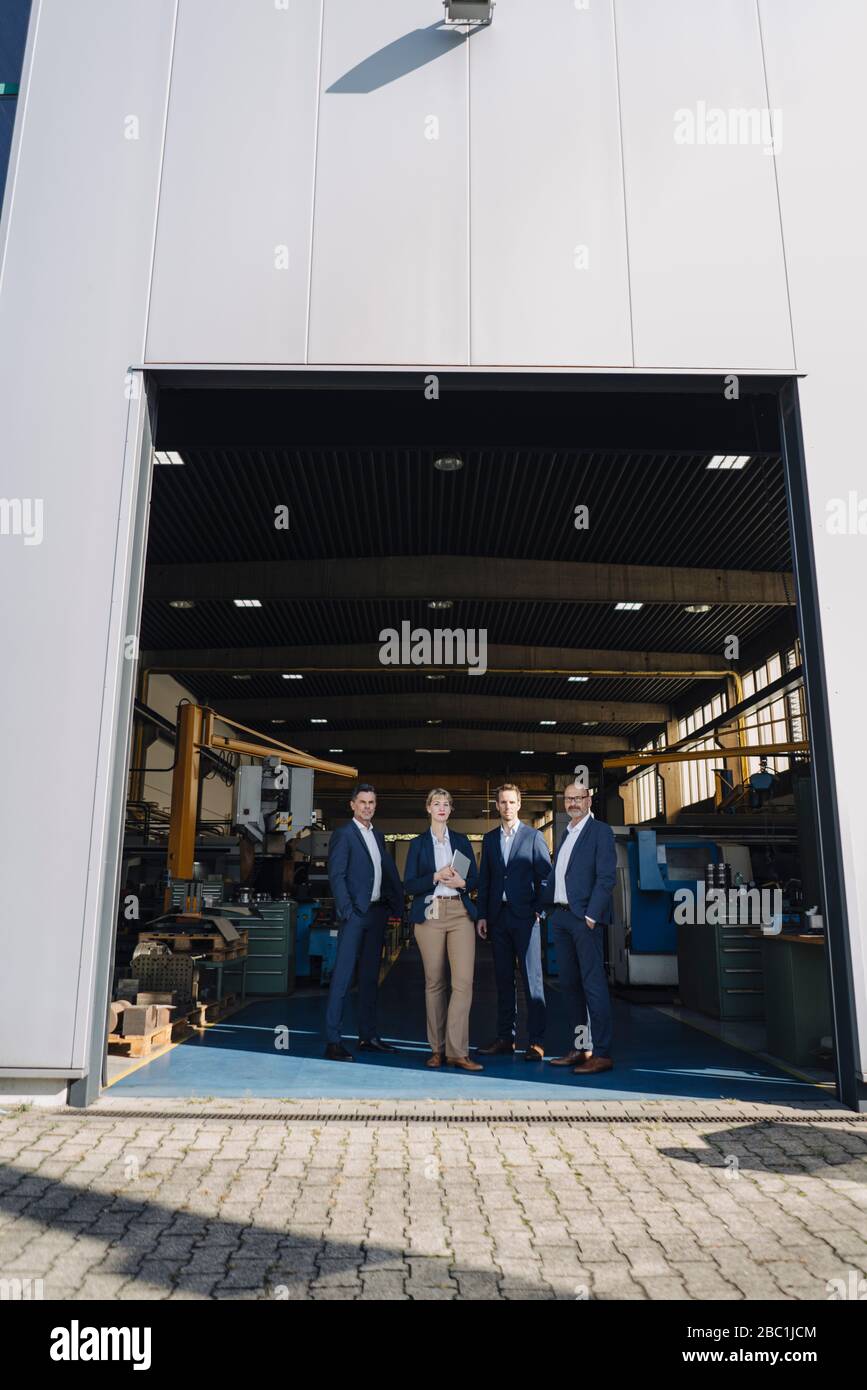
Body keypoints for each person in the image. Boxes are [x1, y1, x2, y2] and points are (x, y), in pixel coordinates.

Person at [324, 782, 404, 1061]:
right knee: (343, 978)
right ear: (352, 805)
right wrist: (348, 911)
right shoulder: (344, 835)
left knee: (370, 979)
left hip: (377, 914)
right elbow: (337, 875)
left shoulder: (378, 836)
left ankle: (367, 1036)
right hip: (356, 915)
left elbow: (384, 873)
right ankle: (333, 1041)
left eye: (371, 802)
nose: (367, 807)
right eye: (362, 802)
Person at [404, 788, 482, 1072]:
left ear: (450, 810)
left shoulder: (461, 841)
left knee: (463, 983)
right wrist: (436, 876)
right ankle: (436, 1050)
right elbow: (409, 885)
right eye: (436, 803)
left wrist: (462, 883)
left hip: (459, 911)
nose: (441, 808)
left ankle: (457, 1051)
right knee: (434, 982)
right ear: (428, 808)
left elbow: (474, 880)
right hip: (431, 911)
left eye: (446, 804)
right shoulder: (418, 844)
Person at [542, 783, 617, 1076]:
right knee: (570, 986)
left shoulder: (600, 832)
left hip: (583, 920)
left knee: (593, 986)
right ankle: (580, 1048)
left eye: (578, 798)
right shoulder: (566, 833)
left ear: (588, 799)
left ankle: (602, 1053)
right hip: (561, 918)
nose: (573, 803)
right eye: (568, 799)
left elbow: (606, 877)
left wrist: (591, 916)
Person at [475, 783, 552, 1061]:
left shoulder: (534, 837)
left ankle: (536, 1042)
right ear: (497, 806)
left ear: (519, 805)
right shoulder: (490, 839)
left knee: (533, 981)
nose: (507, 807)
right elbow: (486, 880)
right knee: (503, 980)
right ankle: (505, 1039)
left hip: (525, 918)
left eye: (511, 802)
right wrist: (482, 914)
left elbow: (546, 877)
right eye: (502, 803)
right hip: (498, 918)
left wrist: (538, 911)